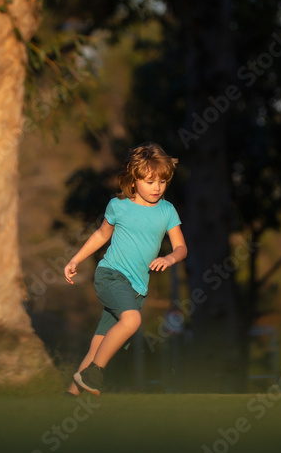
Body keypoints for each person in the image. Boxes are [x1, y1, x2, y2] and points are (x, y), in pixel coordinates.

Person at [63, 142, 187, 396]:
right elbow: (100, 235)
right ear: (133, 180)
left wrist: (170, 259)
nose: (157, 188)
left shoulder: (167, 211)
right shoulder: (118, 206)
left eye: (162, 182)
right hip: (110, 275)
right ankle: (94, 374)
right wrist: (75, 259)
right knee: (132, 320)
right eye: (150, 181)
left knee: (99, 342)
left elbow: (181, 247)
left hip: (137, 288)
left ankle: (71, 395)